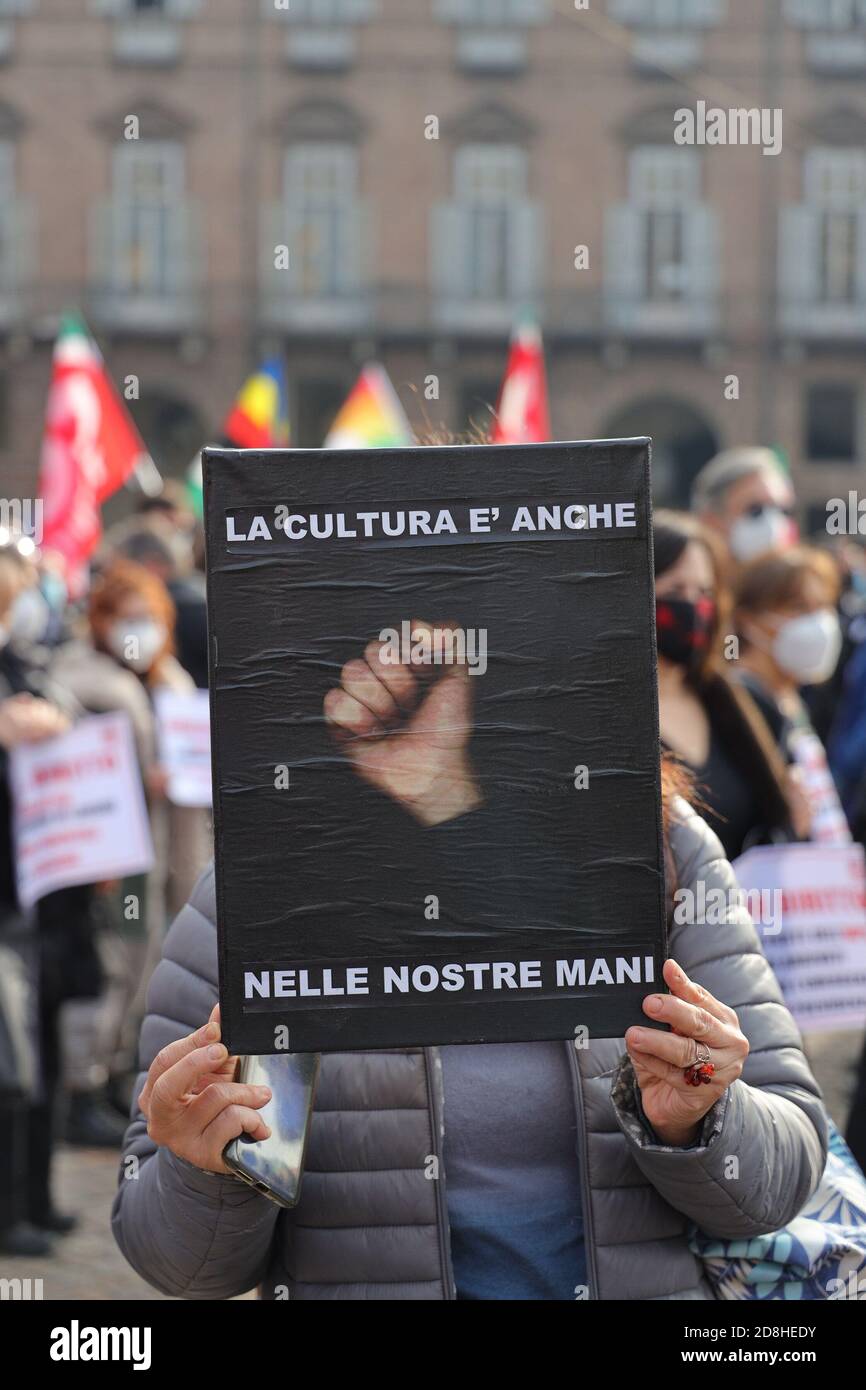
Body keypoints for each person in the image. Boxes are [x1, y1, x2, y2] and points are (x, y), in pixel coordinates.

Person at [112, 625, 828, 1301]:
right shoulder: (267, 887)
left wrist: (700, 1114)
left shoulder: (656, 846)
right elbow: (182, 1265)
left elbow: (780, 1175)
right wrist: (210, 1167)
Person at [654, 511, 800, 860]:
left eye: (704, 592)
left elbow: (777, 829)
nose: (693, 605)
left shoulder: (747, 704)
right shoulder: (606, 719)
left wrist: (795, 817)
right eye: (676, 590)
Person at [732, 546, 848, 846]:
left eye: (823, 606)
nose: (820, 623)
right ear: (748, 620)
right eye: (799, 607)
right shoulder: (741, 701)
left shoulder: (790, 698)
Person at [691, 447, 798, 566]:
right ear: (710, 521)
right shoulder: (688, 583)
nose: (773, 523)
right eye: (755, 510)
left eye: (783, 510)